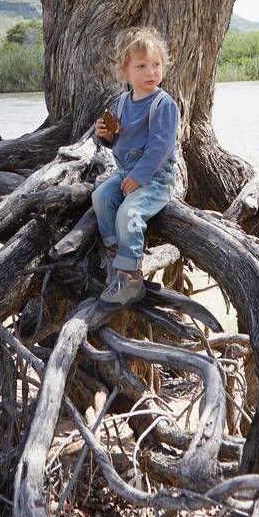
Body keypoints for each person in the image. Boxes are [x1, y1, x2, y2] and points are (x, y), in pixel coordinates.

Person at [92, 26, 180, 310]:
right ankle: (116, 247)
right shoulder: (120, 103)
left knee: (130, 212)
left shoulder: (163, 104)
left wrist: (139, 177)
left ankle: (130, 279)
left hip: (156, 177)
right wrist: (104, 135)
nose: (150, 72)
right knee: (101, 197)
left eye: (156, 65)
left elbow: (160, 147)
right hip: (126, 171)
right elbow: (116, 138)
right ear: (125, 70)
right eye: (141, 66)